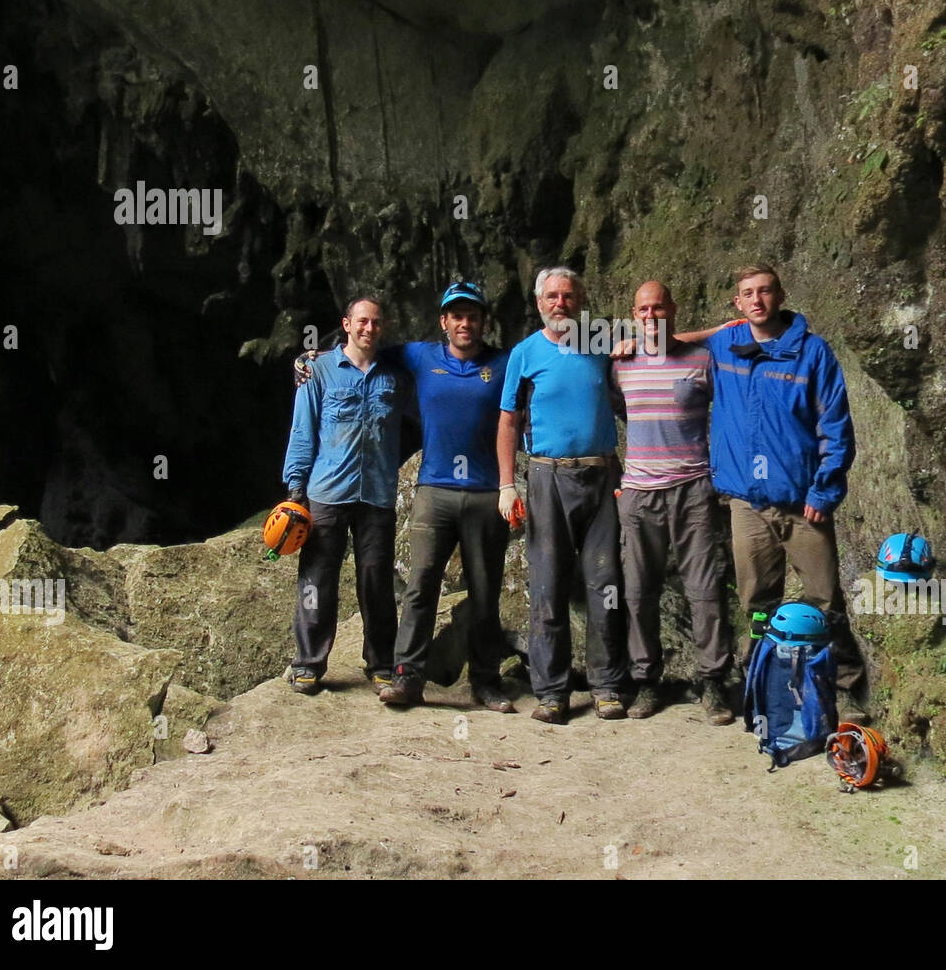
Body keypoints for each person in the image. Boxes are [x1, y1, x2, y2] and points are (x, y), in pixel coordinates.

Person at [294, 282, 516, 712]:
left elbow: (534, 387)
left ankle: (479, 680)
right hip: (423, 489)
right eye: (457, 316)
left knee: (475, 590)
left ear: (484, 322)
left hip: (477, 491)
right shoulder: (417, 357)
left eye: (472, 316)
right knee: (416, 585)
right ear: (444, 322)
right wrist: (308, 357)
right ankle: (398, 674)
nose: (464, 323)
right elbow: (357, 356)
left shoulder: (506, 363)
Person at [698, 264, 865, 704]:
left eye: (765, 291)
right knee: (756, 604)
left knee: (824, 601)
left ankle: (844, 690)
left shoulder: (812, 353)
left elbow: (836, 426)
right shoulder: (725, 347)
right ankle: (760, 685)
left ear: (780, 294)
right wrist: (629, 343)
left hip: (801, 502)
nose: (757, 300)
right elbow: (669, 345)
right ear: (737, 304)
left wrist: (824, 491)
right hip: (746, 504)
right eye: (747, 294)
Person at [497, 267, 629, 725]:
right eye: (552, 296)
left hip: (601, 474)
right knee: (547, 584)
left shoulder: (601, 342)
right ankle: (552, 692)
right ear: (539, 304)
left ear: (582, 300)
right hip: (546, 477)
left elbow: (661, 338)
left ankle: (607, 686)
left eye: (569, 296)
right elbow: (509, 420)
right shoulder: (524, 354)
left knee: (605, 583)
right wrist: (506, 483)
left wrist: (725, 331)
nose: (561, 303)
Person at [610, 280, 735, 725]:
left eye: (658, 308)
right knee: (639, 592)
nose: (651, 315)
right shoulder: (619, 363)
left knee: (705, 590)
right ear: (633, 312)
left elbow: (728, 416)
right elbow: (614, 415)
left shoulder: (704, 360)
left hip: (694, 490)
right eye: (643, 309)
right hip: (640, 492)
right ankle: (646, 681)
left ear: (673, 310)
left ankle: (713, 682)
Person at [282, 296, 402, 697]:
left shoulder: (395, 374)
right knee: (317, 579)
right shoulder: (318, 371)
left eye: (377, 322)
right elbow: (303, 432)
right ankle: (308, 663)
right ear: (346, 324)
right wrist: (295, 492)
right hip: (327, 492)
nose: (370, 328)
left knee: (377, 582)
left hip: (377, 494)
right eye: (362, 321)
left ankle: (382, 663)